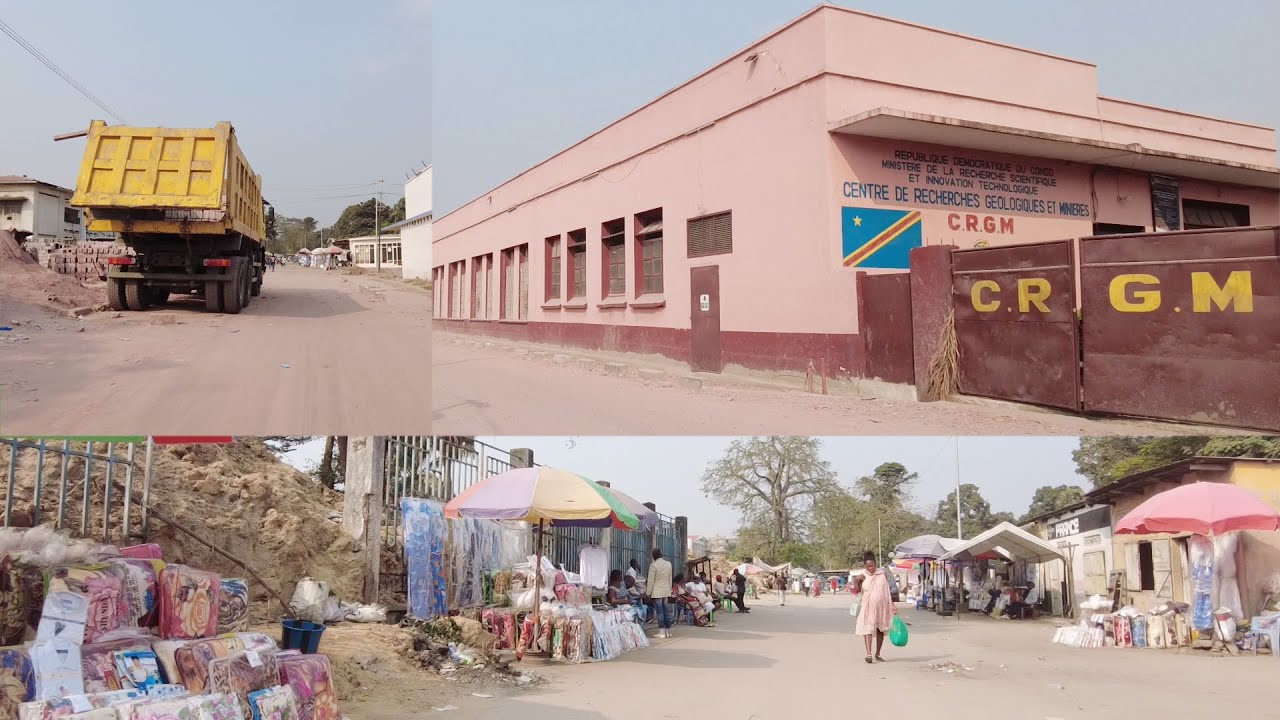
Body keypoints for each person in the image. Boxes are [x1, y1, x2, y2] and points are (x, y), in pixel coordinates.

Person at [854, 551, 898, 664]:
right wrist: (856, 581)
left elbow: (887, 591)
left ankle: (877, 653)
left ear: (875, 564)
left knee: (880, 630)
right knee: (867, 629)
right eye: (868, 566)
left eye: (872, 565)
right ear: (865, 566)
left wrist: (892, 605)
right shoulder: (863, 575)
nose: (870, 568)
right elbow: (857, 591)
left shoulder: (882, 574)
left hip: (881, 607)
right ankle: (868, 654)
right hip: (868, 606)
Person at [646, 547, 674, 638]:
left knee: (659, 612)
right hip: (666, 591)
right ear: (661, 555)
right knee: (666, 610)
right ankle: (668, 631)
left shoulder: (653, 565)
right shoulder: (668, 564)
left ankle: (661, 632)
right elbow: (670, 579)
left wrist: (648, 593)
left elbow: (650, 581)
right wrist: (669, 590)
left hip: (657, 592)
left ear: (654, 556)